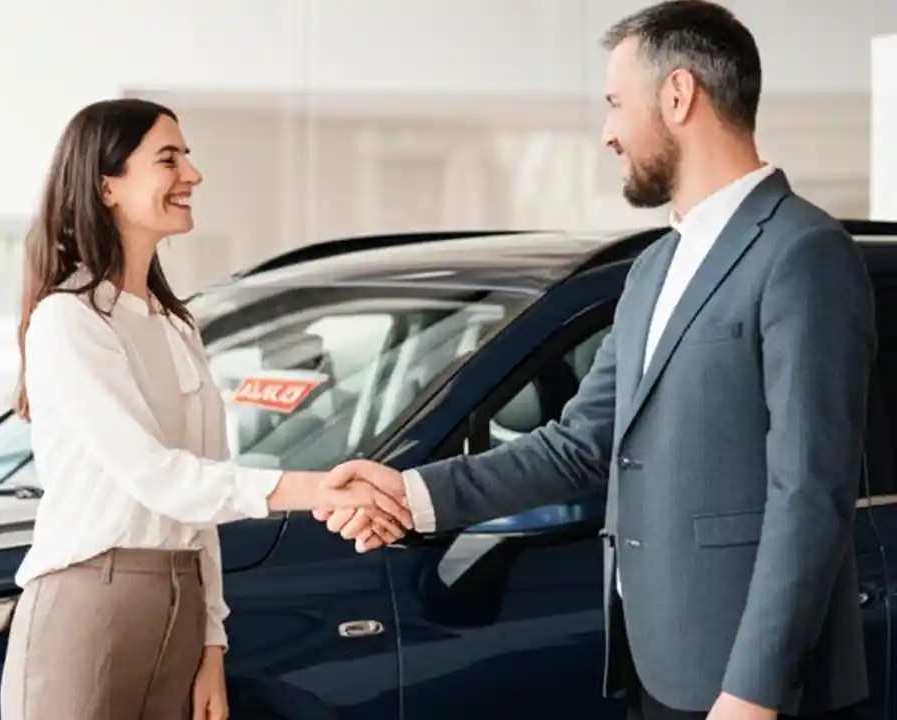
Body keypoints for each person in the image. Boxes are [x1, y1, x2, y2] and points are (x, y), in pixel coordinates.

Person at [315, 2, 878, 719]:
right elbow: (579, 445)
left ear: (678, 96)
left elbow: (809, 491)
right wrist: (408, 493)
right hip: (657, 663)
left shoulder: (801, 251)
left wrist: (755, 691)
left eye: (616, 103)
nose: (608, 132)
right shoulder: (652, 269)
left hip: (751, 686)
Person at [0, 98, 412, 720]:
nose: (192, 174)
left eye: (187, 156)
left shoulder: (175, 325)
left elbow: (203, 496)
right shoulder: (70, 320)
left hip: (179, 609)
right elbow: (160, 478)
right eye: (169, 158)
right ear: (106, 186)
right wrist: (321, 490)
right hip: (90, 604)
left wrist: (210, 641)